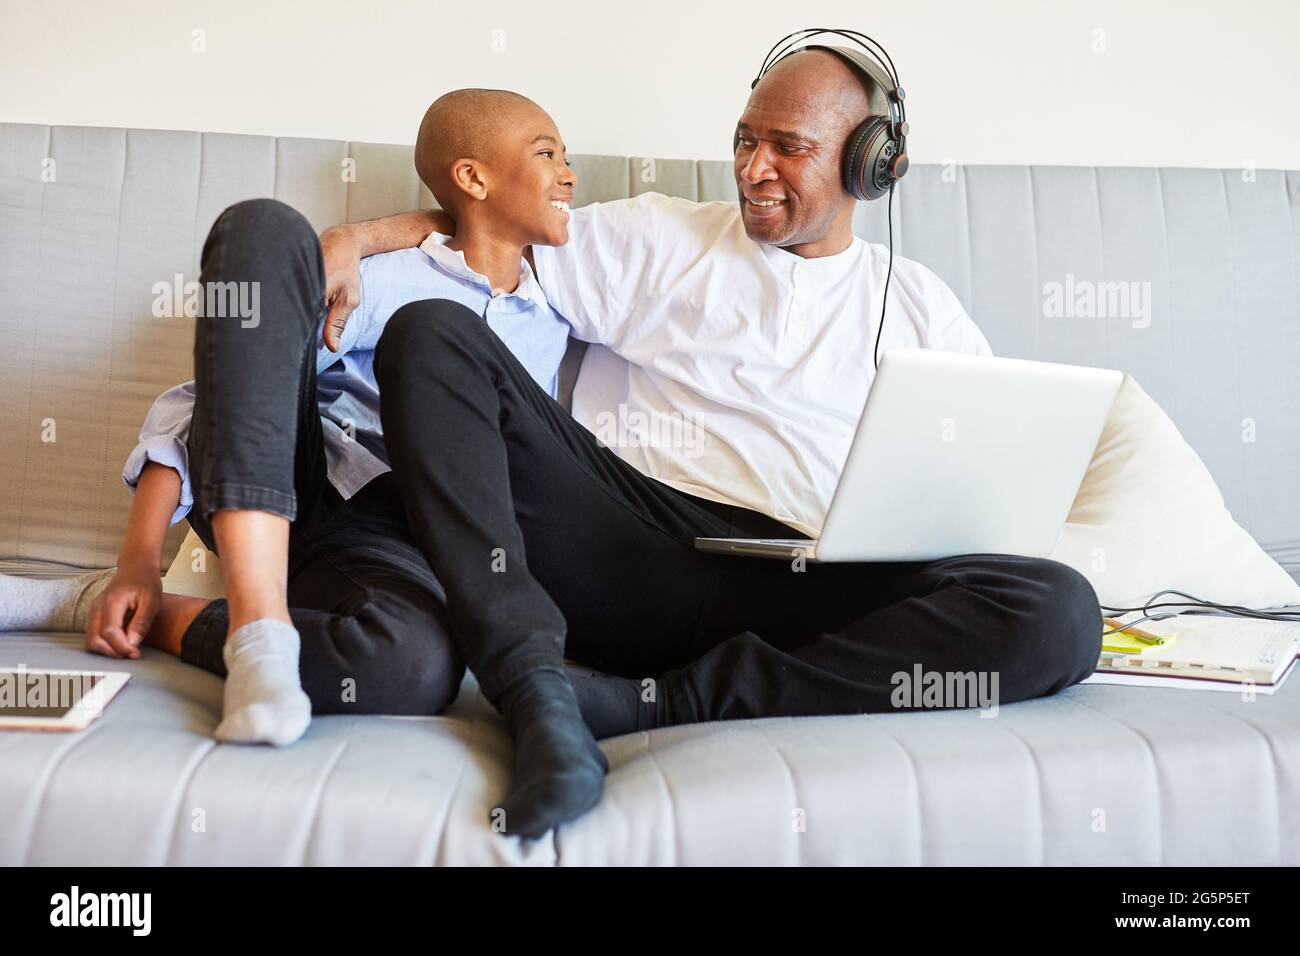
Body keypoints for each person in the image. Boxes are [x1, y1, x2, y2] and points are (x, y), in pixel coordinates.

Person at [321, 49, 1103, 758]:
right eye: (744, 140)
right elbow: (490, 222)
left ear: (869, 164)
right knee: (434, 331)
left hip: (808, 585)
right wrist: (356, 236)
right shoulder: (653, 236)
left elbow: (986, 506)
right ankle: (527, 672)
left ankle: (662, 706)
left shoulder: (925, 306)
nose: (753, 168)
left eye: (788, 148)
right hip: (631, 551)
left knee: (1059, 610)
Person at [0, 89, 603, 840]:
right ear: (474, 178)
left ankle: (127, 613)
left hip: (410, 545)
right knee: (263, 232)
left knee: (410, 670)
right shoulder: (385, 280)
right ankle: (250, 631)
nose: (571, 174)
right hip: (299, 491)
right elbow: (224, 395)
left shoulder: (564, 306)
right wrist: (138, 559)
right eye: (549, 154)